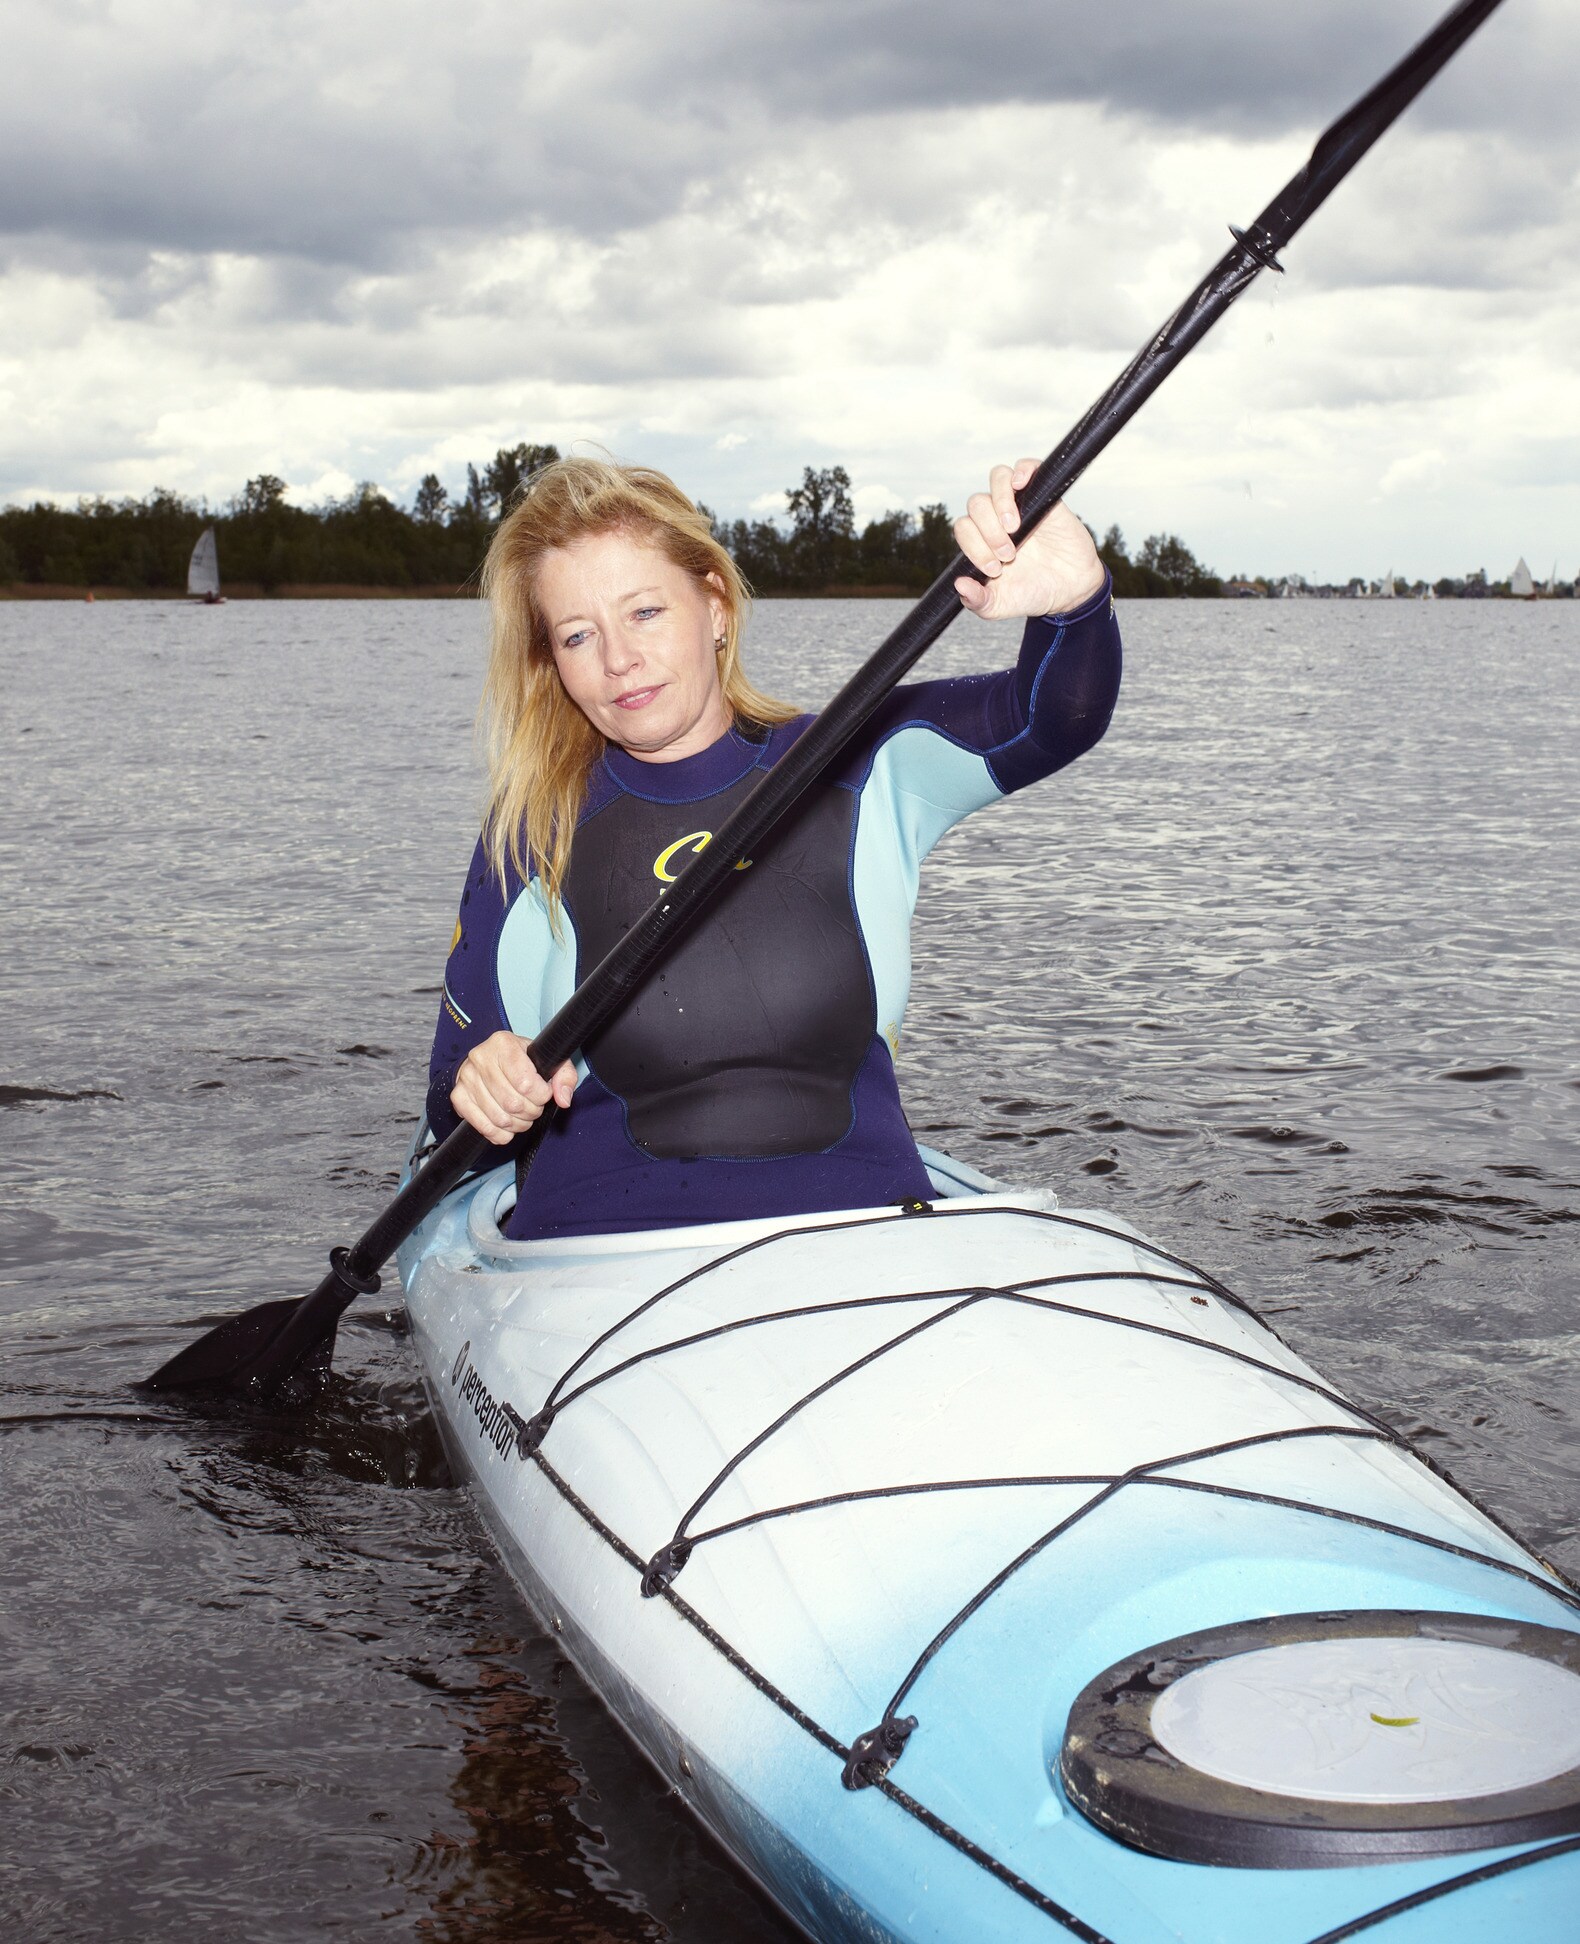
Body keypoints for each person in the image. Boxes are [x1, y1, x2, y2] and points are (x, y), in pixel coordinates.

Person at [426, 454, 1120, 1239]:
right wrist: (481, 1085)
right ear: (552, 662)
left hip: (868, 1234)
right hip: (594, 1268)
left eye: (645, 613)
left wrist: (1074, 605)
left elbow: (1056, 717)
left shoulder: (858, 760)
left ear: (715, 605)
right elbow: (446, 1117)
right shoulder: (531, 833)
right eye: (578, 635)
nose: (618, 659)